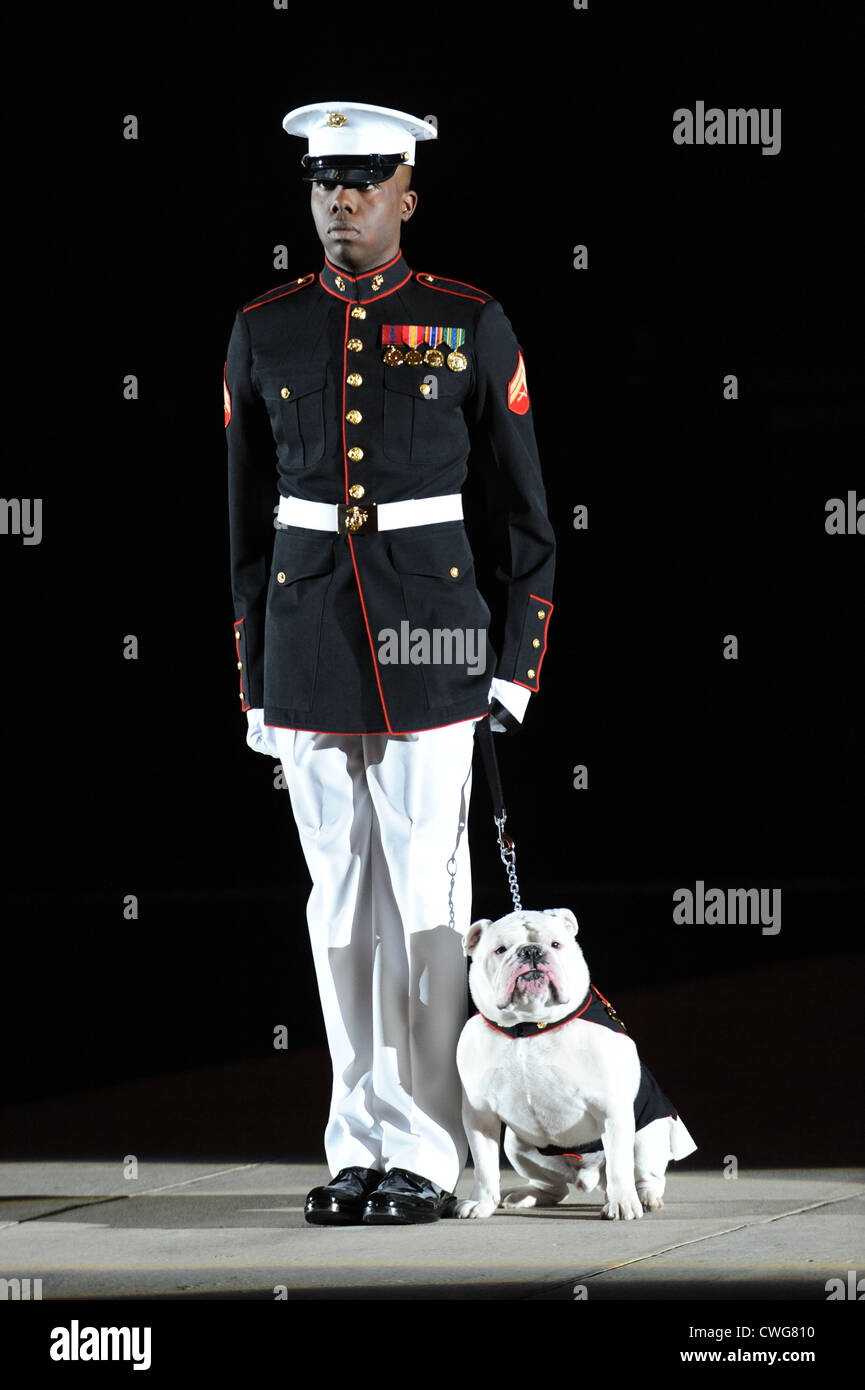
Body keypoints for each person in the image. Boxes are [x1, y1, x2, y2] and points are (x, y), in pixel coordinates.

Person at [224, 101, 555, 1224]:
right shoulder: (263, 328)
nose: (341, 203)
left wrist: (512, 666)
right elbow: (242, 529)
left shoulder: (468, 322)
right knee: (336, 908)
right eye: (325, 184)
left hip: (437, 649)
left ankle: (423, 1149)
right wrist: (253, 676)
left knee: (423, 902)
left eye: (364, 183)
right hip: (307, 641)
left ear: (407, 196)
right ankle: (355, 1140)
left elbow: (526, 520)